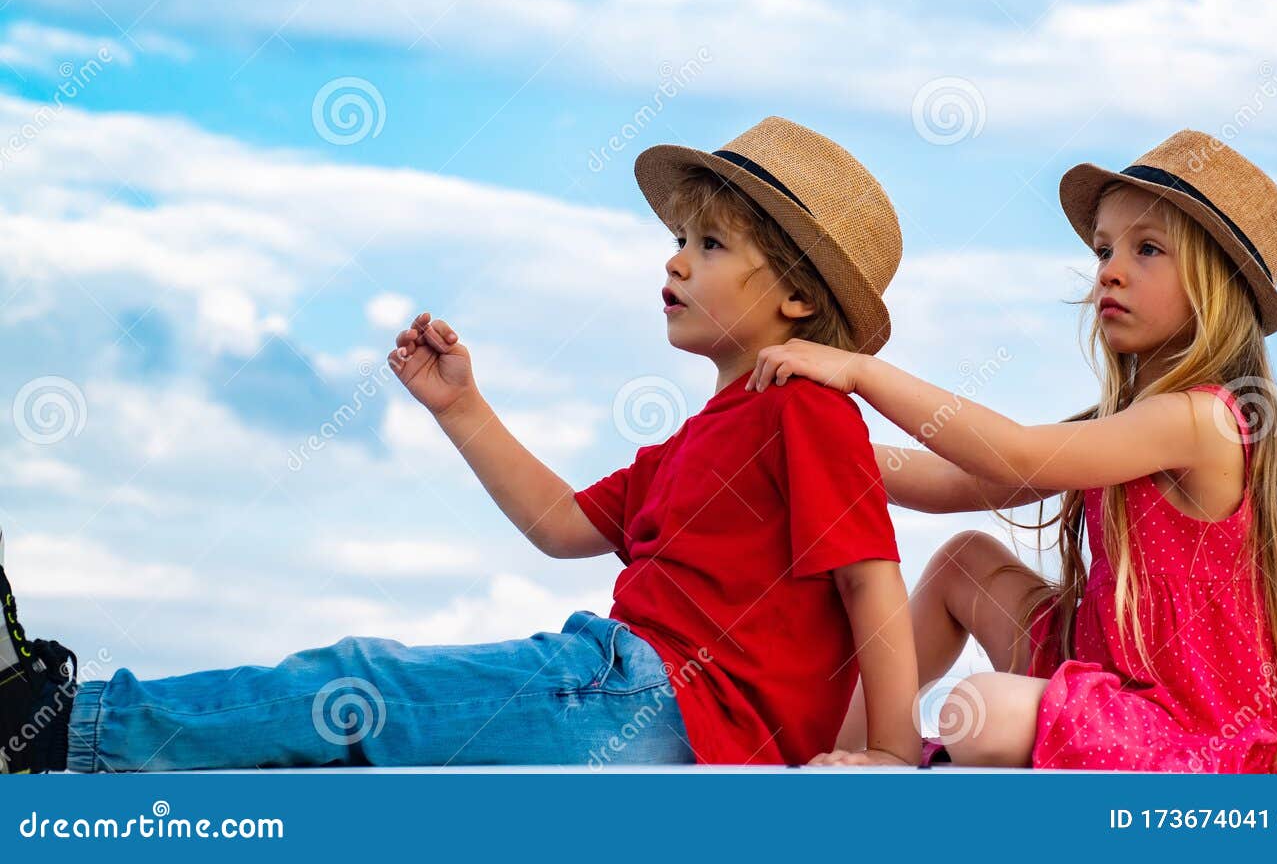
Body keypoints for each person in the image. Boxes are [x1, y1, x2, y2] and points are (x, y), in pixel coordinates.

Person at [1, 116, 920, 771]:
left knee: (361, 686)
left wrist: (887, 753)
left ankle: (62, 731)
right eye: (679, 236)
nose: (675, 259)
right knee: (350, 731)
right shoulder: (702, 439)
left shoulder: (806, 409)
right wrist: (462, 407)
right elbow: (563, 524)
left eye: (711, 244)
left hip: (650, 700)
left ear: (797, 298)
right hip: (633, 699)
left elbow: (870, 578)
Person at [750, 130, 1277, 772]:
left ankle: (893, 759)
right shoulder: (1123, 424)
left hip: (1186, 730)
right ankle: (850, 752)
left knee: (978, 711)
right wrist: (822, 445)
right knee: (963, 562)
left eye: (1147, 249)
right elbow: (955, 483)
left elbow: (1013, 452)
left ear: (1218, 286)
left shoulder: (1202, 420)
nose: (1110, 270)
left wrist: (861, 373)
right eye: (1104, 249)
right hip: (1106, 679)